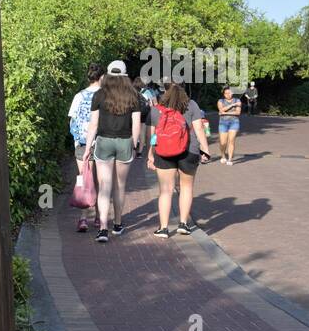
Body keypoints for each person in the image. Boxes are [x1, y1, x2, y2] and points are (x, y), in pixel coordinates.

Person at [82, 65, 141, 243]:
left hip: (104, 142)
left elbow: (93, 124)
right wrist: (135, 144)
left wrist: (87, 149)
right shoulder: (133, 96)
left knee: (105, 185)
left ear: (106, 76)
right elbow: (136, 123)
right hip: (124, 142)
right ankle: (117, 224)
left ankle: (102, 229)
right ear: (125, 76)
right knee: (120, 185)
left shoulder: (98, 95)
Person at [147, 80, 213, 237]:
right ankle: (183, 224)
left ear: (165, 89)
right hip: (189, 151)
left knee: (165, 190)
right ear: (184, 88)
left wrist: (150, 154)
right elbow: (198, 128)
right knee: (186, 187)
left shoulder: (157, 109)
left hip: (163, 151)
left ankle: (163, 228)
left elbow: (153, 135)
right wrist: (205, 149)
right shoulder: (191, 105)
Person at [67, 63, 103, 232]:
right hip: (101, 142)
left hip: (81, 143)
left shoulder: (79, 96)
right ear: (101, 77)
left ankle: (83, 218)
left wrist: (76, 140)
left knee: (83, 178)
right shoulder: (105, 96)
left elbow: (72, 121)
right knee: (98, 180)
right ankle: (98, 216)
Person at [216, 85, 241, 164]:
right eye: (226, 93)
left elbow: (238, 112)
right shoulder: (220, 101)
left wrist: (224, 113)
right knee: (223, 142)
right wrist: (232, 105)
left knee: (231, 141)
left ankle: (230, 159)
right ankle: (223, 155)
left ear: (232, 93)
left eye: (229, 93)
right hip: (223, 123)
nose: (228, 95)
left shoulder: (237, 100)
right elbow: (221, 109)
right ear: (224, 94)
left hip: (234, 123)